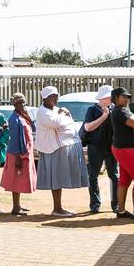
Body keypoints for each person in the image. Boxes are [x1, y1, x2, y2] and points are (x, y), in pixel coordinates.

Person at [35, 86, 85, 217]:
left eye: (56, 95)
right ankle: (57, 209)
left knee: (59, 179)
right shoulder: (42, 111)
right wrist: (64, 114)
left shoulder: (57, 110)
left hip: (59, 148)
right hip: (51, 149)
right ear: (44, 98)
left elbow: (69, 123)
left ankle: (59, 207)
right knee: (55, 179)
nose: (55, 98)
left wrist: (64, 115)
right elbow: (56, 123)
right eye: (52, 96)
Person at [109, 86, 134, 221]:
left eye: (128, 97)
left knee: (125, 179)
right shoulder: (121, 111)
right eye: (123, 96)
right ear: (116, 98)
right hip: (127, 149)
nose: (127, 99)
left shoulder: (120, 110)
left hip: (121, 148)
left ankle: (121, 210)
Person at [82, 85, 118, 214]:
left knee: (114, 175)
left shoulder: (115, 109)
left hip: (112, 147)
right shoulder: (92, 109)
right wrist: (103, 117)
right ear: (103, 98)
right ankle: (95, 204)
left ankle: (116, 204)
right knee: (93, 175)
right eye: (110, 97)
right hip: (95, 147)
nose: (112, 99)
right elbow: (87, 128)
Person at [1, 92, 36, 216]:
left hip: (25, 154)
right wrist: (17, 158)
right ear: (15, 104)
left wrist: (29, 118)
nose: (23, 105)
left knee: (20, 180)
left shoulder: (22, 117)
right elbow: (15, 139)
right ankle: (15, 207)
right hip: (17, 154)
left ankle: (18, 205)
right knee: (16, 180)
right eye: (20, 103)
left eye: (24, 102)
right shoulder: (14, 119)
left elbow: (34, 129)